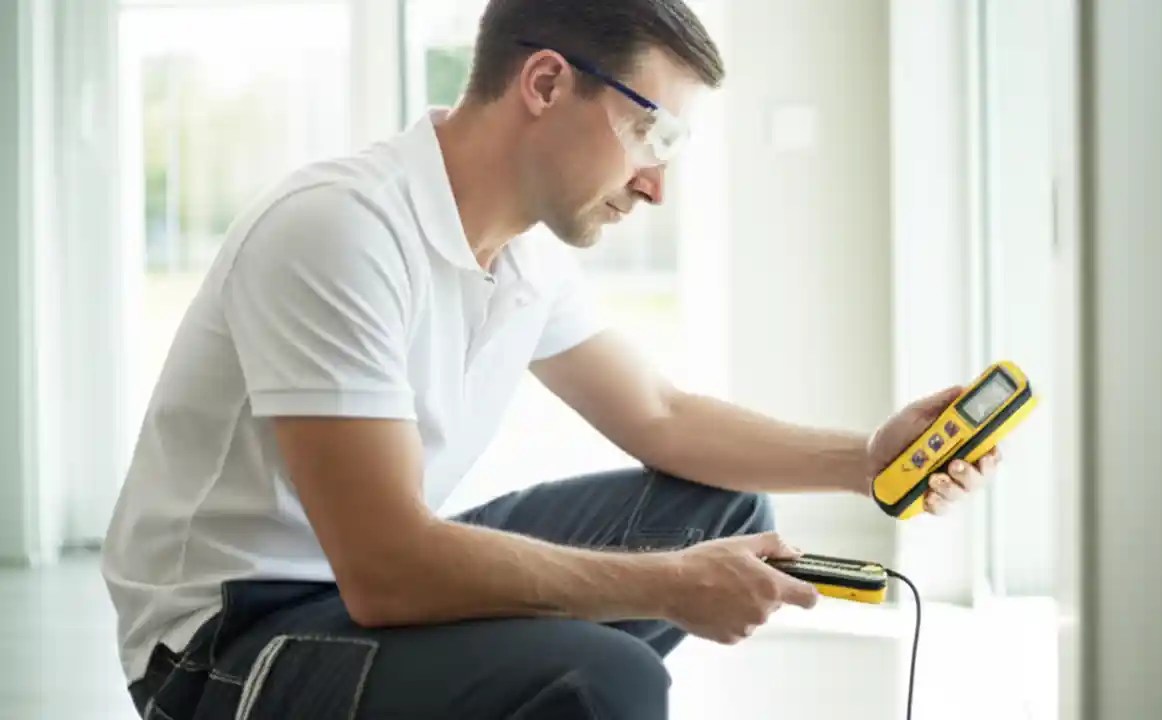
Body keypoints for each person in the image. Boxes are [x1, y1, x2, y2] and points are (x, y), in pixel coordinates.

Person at [102, 0, 1001, 717]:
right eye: (653, 136)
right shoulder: (340, 230)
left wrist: (868, 462)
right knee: (604, 680)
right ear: (544, 82)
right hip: (229, 648)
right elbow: (387, 568)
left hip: (357, 588)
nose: (656, 184)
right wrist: (669, 588)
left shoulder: (523, 255)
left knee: (718, 510)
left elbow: (661, 417)